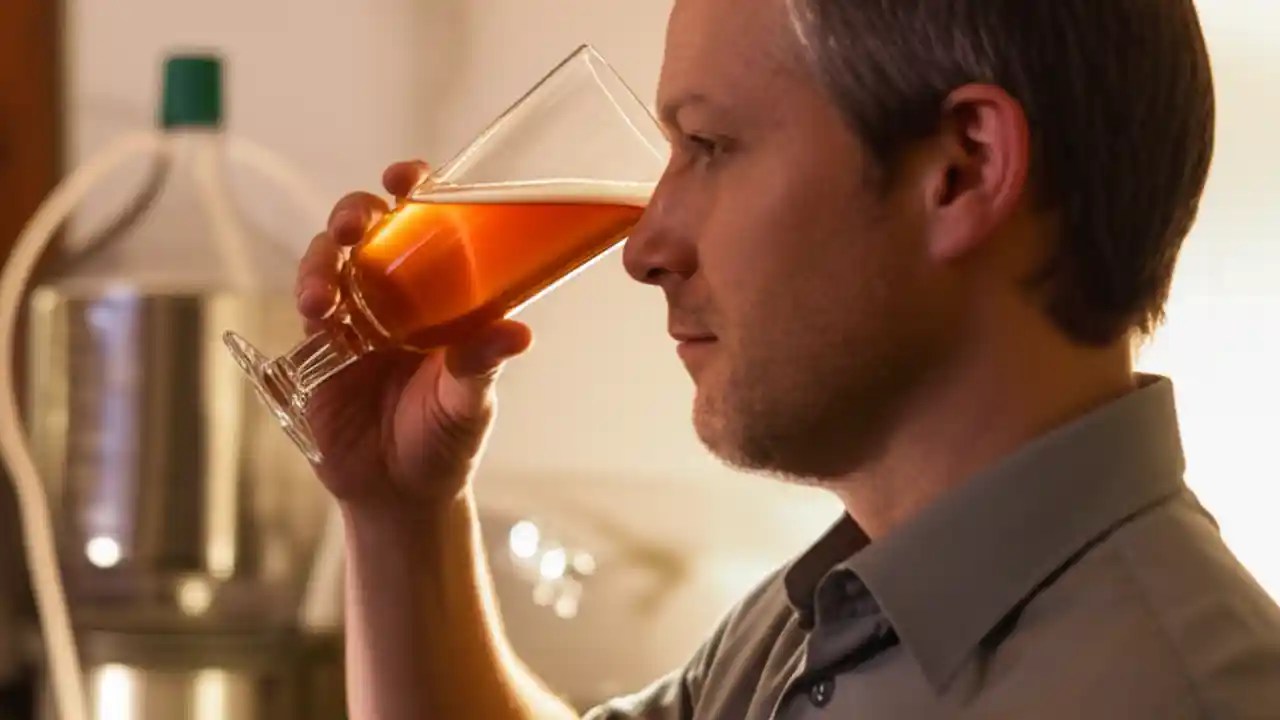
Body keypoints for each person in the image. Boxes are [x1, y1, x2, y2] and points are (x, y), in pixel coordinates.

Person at [293, 0, 1280, 717]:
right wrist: (400, 513)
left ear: (961, 170)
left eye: (709, 145)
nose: (643, 248)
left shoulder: (1173, 694)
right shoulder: (823, 618)